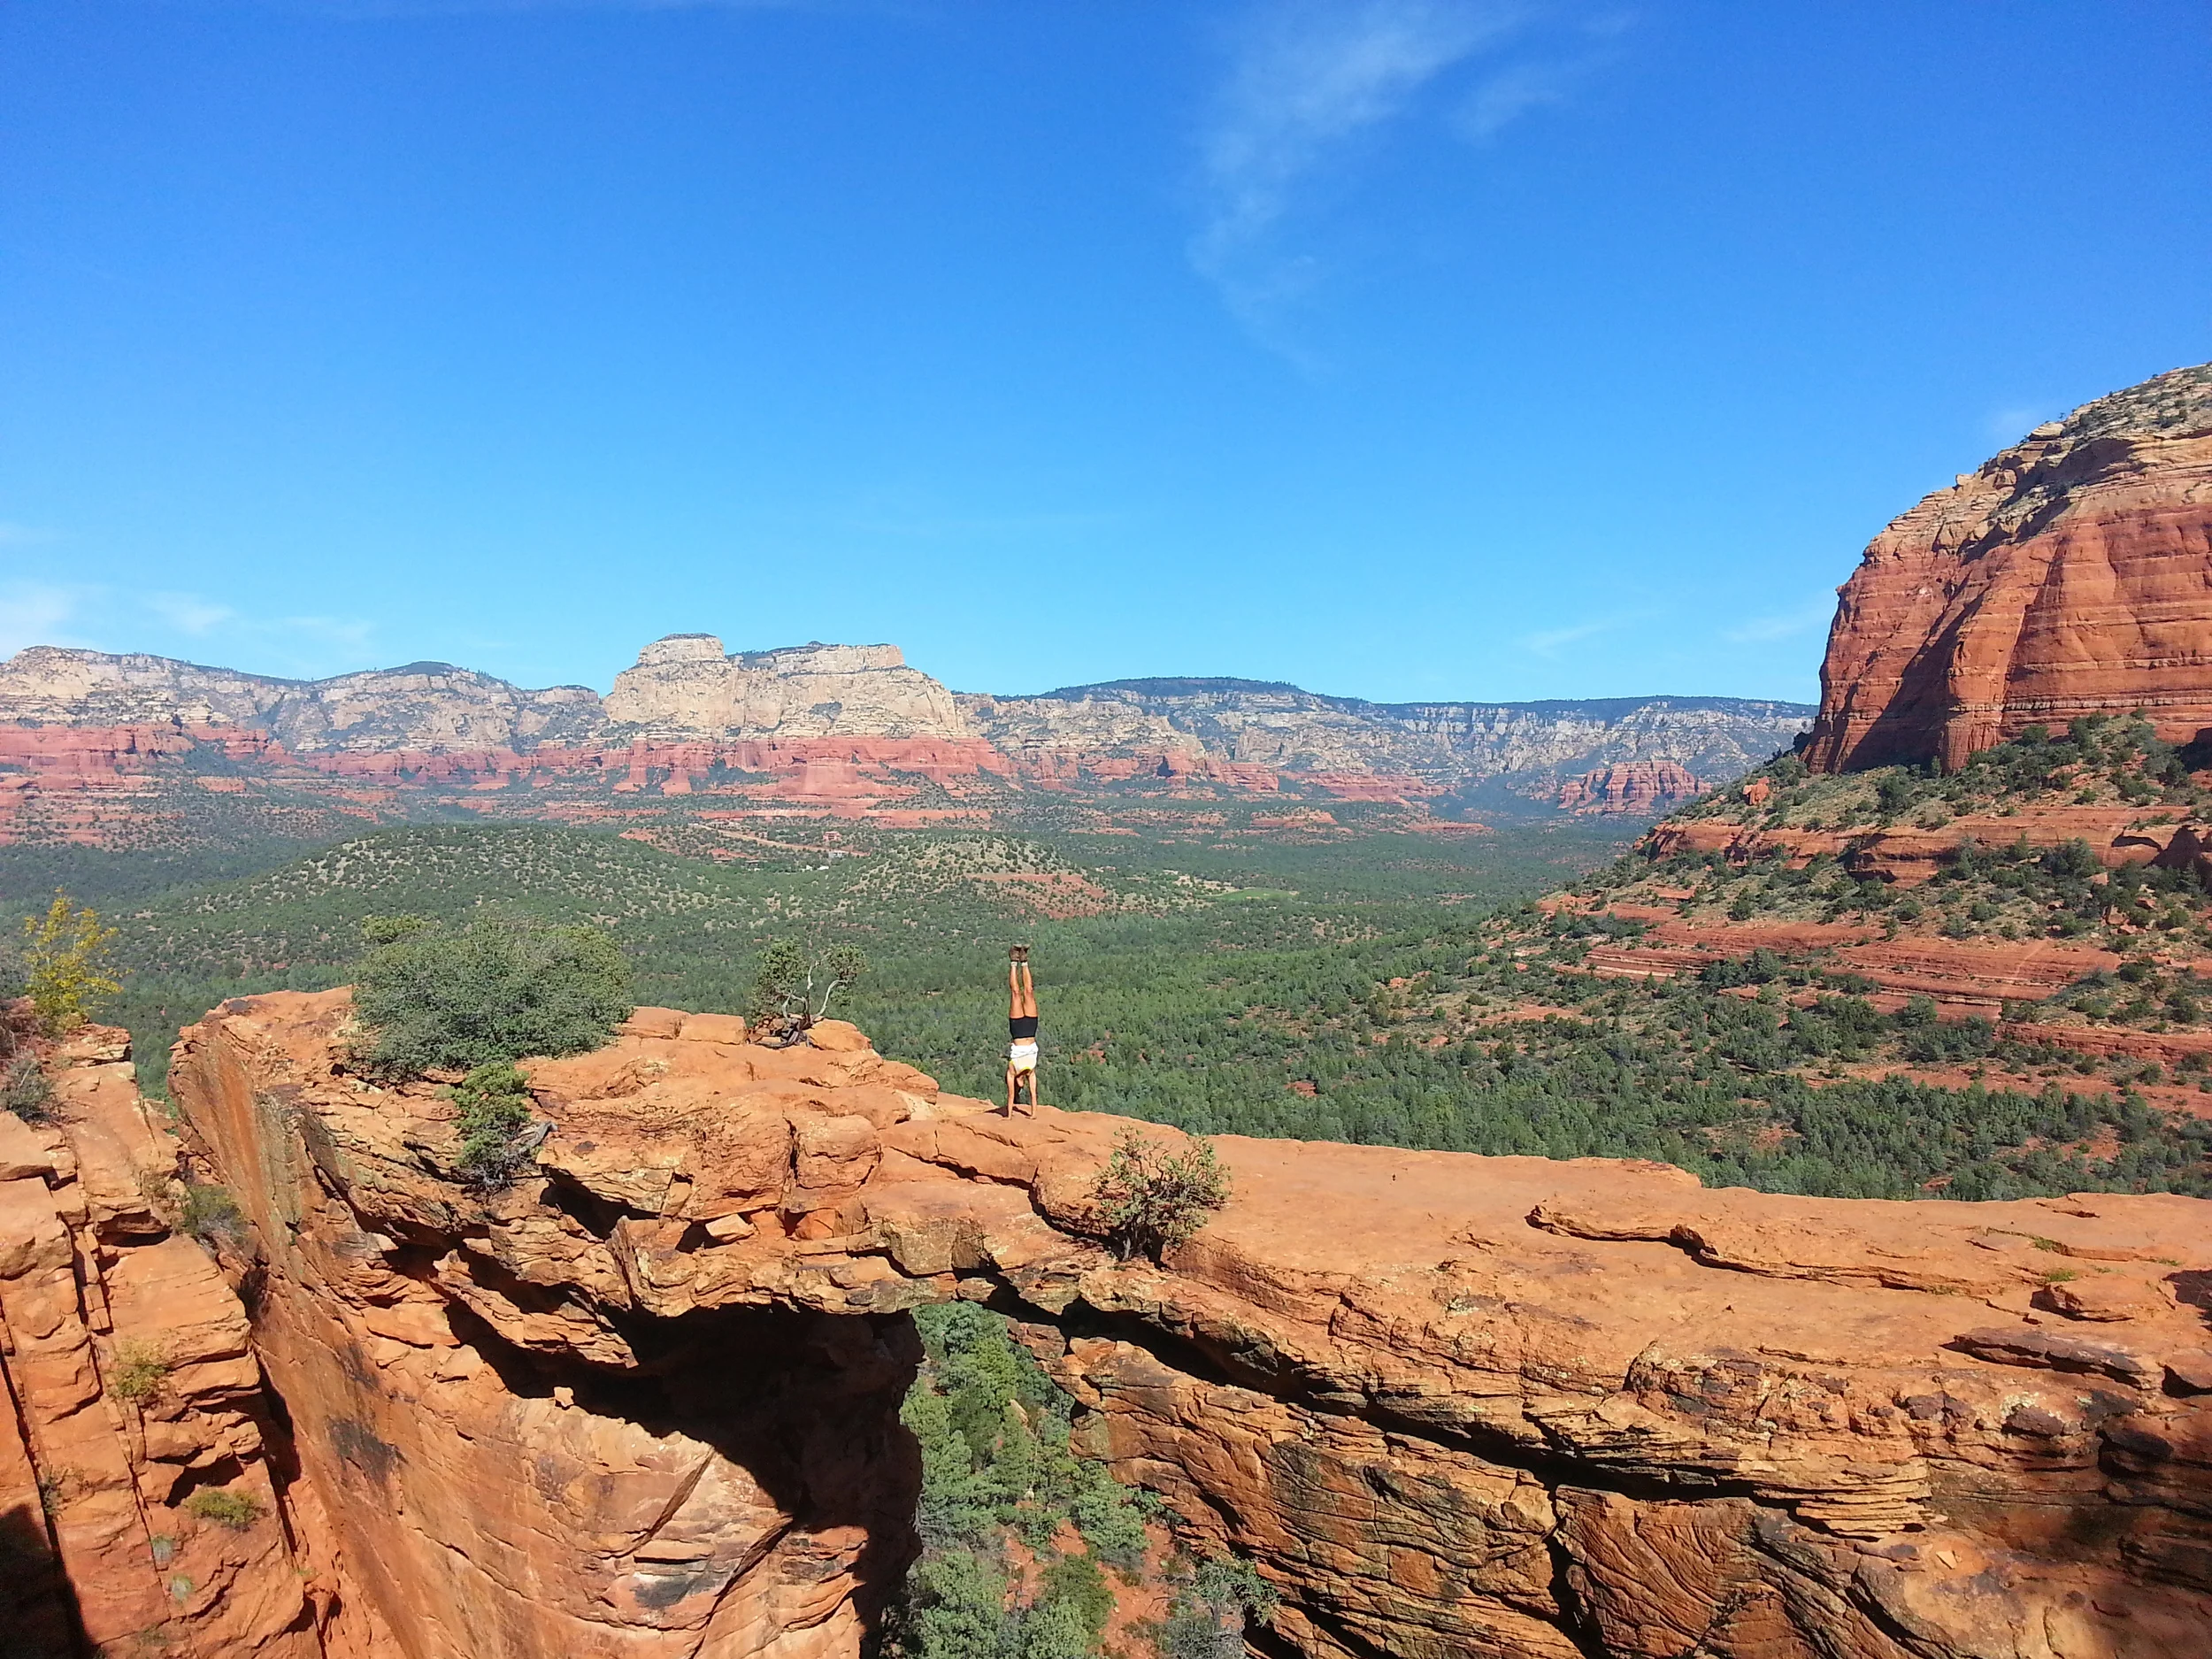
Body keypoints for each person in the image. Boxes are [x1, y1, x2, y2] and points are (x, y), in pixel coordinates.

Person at [1005, 945, 1039, 1115]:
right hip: (1031, 1031)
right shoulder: (1031, 1071)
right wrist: (1033, 1115)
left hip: (1018, 1031)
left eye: (1020, 1086)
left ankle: (1014, 961)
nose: (1022, 1085)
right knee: (1027, 993)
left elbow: (1010, 1096)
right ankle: (1023, 961)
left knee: (1017, 993)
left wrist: (1009, 1115)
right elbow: (1034, 1095)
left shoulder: (1012, 1070)